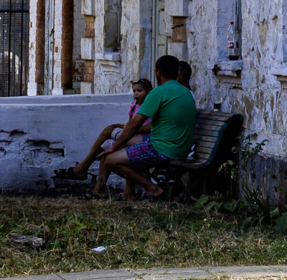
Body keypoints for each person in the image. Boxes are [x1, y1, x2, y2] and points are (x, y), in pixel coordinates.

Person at [100, 55, 197, 201]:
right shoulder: (186, 93)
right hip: (182, 149)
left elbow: (135, 124)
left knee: (110, 160)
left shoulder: (158, 92)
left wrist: (114, 146)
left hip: (163, 149)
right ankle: (130, 192)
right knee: (125, 147)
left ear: (158, 72)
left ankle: (153, 189)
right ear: (176, 73)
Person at [73, 79, 148, 197]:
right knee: (108, 145)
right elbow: (130, 123)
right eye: (134, 91)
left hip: (143, 140)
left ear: (148, 92)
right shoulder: (133, 106)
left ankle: (84, 168)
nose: (136, 94)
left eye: (139, 91)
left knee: (110, 134)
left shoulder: (151, 107)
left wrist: (131, 129)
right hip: (132, 136)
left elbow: (147, 127)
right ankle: (101, 188)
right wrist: (125, 127)